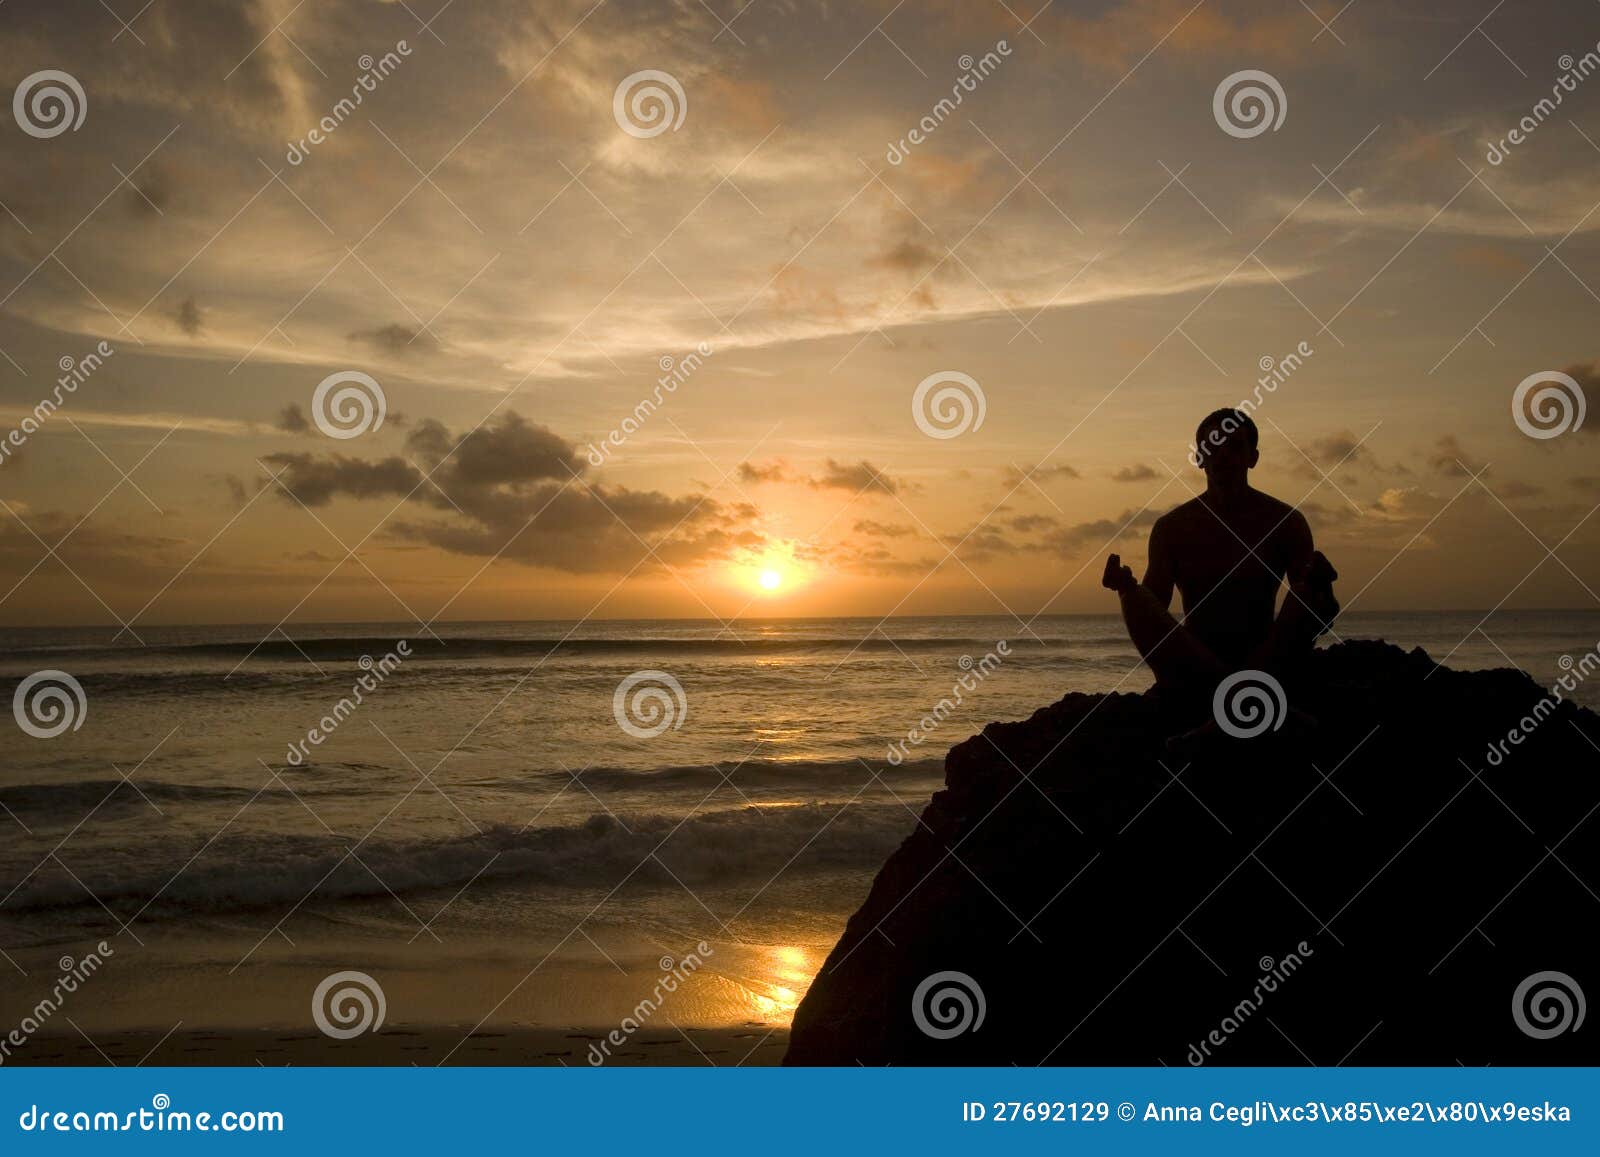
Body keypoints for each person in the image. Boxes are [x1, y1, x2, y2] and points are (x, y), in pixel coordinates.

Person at [1102, 408, 1338, 692]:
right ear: (1200, 458)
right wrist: (1126, 588)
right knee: (1136, 598)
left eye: (1234, 446)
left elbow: (1315, 616)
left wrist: (1321, 589)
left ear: (1253, 457)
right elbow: (1155, 609)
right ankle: (1234, 700)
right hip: (1194, 666)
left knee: (1304, 592)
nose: (1223, 455)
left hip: (1267, 661)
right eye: (1213, 446)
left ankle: (1228, 705)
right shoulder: (1172, 528)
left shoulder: (1286, 523)